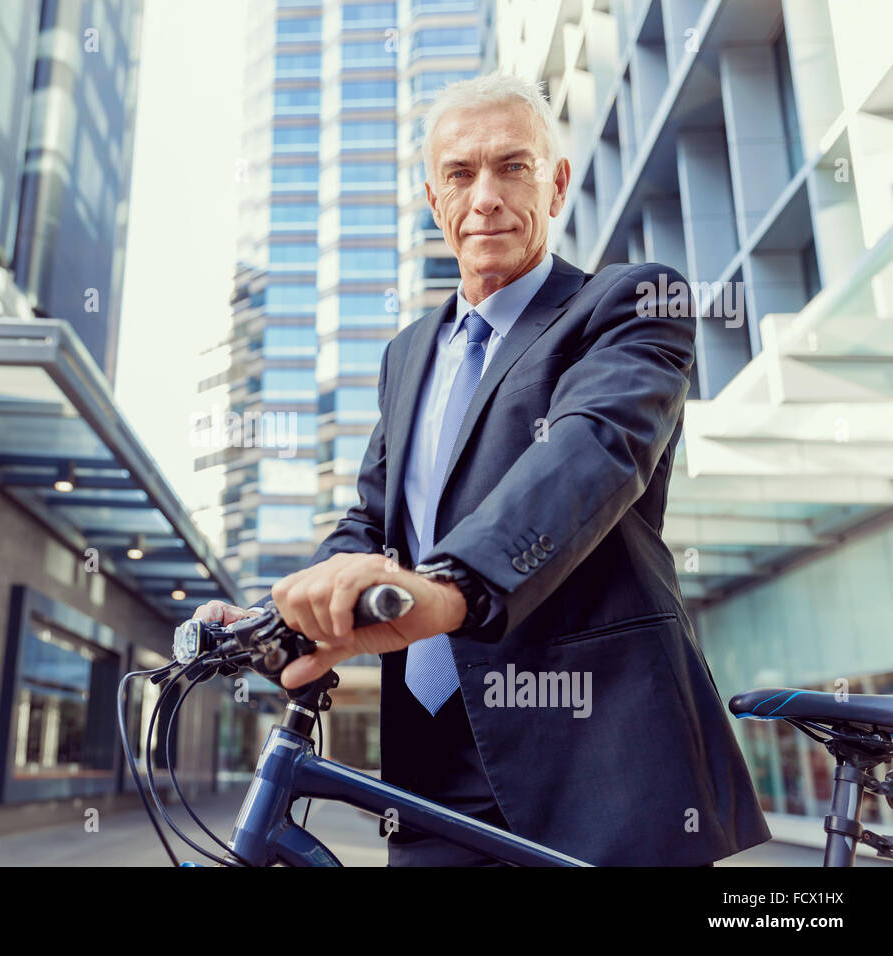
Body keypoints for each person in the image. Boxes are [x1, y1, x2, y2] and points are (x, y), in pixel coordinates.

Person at [193, 72, 770, 867]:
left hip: (596, 754)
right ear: (434, 199)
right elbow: (371, 524)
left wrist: (455, 588)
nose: (486, 197)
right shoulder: (405, 355)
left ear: (558, 183)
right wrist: (285, 611)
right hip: (429, 757)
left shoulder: (632, 303)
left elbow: (592, 453)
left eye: (513, 167)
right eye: (461, 175)